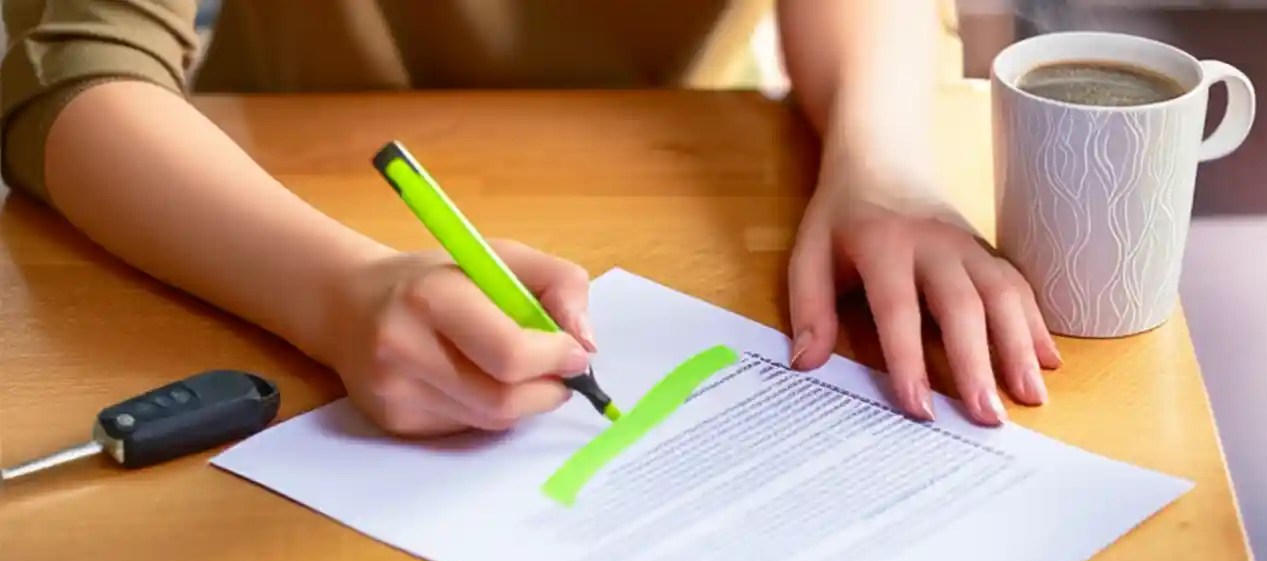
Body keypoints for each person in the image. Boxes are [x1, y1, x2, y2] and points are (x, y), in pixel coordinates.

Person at [0, 0, 1059, 436]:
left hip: (709, 173)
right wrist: (334, 291)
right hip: (246, 202)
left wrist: (878, 161)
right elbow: (69, 69)